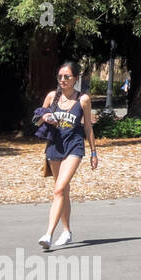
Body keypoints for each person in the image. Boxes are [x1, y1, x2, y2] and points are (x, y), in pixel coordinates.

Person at [35, 61, 99, 250]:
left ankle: (48, 234)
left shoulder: (83, 99)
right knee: (63, 191)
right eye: (60, 76)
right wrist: (44, 118)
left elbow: (88, 127)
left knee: (59, 189)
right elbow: (37, 121)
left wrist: (94, 152)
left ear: (75, 78)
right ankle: (67, 231)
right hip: (55, 147)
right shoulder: (51, 97)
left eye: (67, 76)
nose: (62, 80)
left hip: (74, 147)